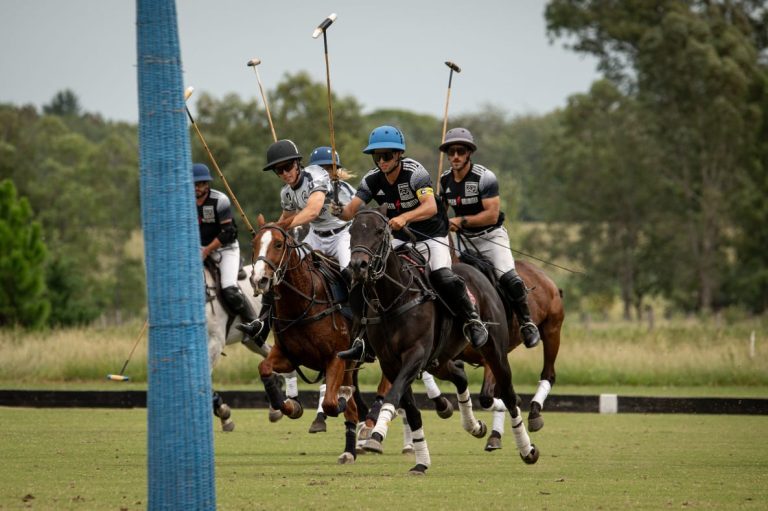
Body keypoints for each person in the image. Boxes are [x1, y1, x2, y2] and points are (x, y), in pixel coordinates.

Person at [333, 125, 488, 361]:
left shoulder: (415, 172)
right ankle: (362, 339)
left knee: (440, 275)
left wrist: (404, 217)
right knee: (362, 278)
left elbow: (431, 206)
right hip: (400, 238)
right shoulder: (372, 179)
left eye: (387, 156)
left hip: (432, 235)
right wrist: (336, 208)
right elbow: (350, 212)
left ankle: (472, 320)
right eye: (377, 156)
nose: (382, 161)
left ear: (398, 155)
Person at [237, 140, 355, 345]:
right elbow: (286, 222)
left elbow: (312, 211)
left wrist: (279, 226)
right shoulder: (286, 193)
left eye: (288, 167)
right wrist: (270, 232)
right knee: (282, 269)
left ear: (298, 163)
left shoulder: (316, 175)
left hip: (342, 234)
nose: (284, 173)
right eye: (278, 170)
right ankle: (263, 322)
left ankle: (360, 325)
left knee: (349, 272)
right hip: (316, 236)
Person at [438, 127, 540, 348]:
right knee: (442, 275)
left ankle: (526, 322)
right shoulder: (445, 180)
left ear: (469, 153)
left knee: (509, 277)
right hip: (462, 240)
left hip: (490, 237)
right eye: (451, 151)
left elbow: (491, 214)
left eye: (460, 151)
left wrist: (460, 221)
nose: (455, 156)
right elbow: (441, 213)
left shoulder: (485, 177)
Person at [194, 162, 258, 330]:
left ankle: (253, 324)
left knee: (228, 287)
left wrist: (207, 250)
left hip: (226, 249)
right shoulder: (185, 203)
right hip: (199, 251)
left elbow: (228, 232)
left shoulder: (219, 200)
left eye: (201, 184)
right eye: (194, 184)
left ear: (207, 184)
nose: (197, 188)